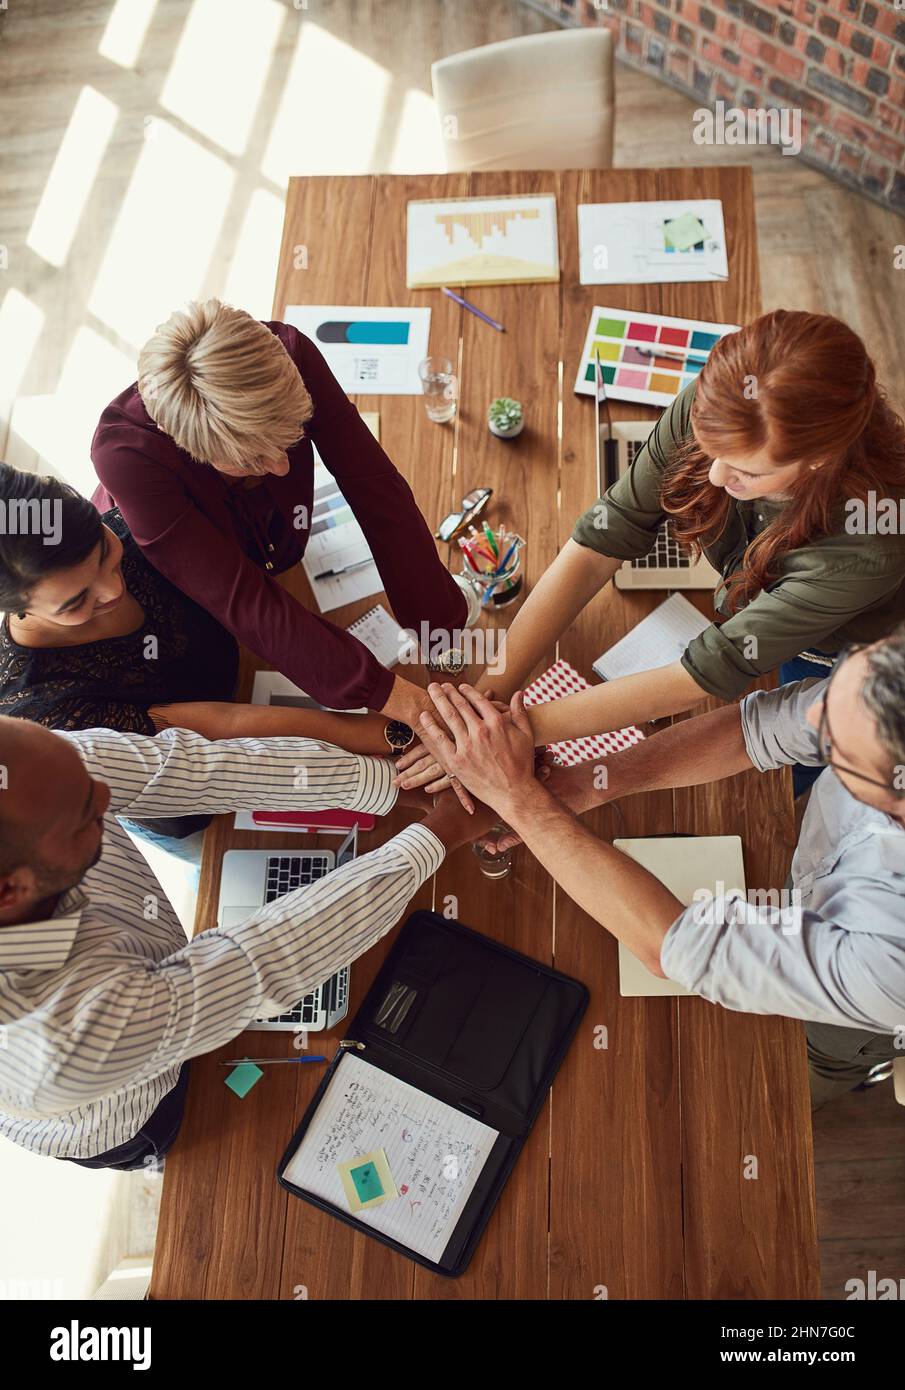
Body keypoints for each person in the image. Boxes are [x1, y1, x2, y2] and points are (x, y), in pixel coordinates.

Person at [394, 310, 905, 795]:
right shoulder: (730, 406)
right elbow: (606, 535)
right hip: (759, 602)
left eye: (748, 472)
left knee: (802, 770)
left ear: (818, 460)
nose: (717, 478)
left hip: (839, 653)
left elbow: (701, 674)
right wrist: (492, 692)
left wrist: (495, 732)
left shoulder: (867, 544)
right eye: (710, 448)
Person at [413, 625, 905, 1109]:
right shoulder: (871, 701)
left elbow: (672, 944)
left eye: (836, 747)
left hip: (852, 1018)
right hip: (813, 888)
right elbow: (750, 731)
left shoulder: (891, 955)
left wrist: (517, 797)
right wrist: (591, 783)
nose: (816, 716)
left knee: (781, 1078)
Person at [0, 715, 489, 1168]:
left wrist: (396, 786)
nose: (108, 801)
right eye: (84, 813)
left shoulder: (31, 774)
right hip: (122, 1113)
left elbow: (194, 770)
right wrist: (444, 830)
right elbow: (264, 960)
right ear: (11, 892)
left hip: (143, 991)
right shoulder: (54, 1042)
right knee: (212, 1143)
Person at [0, 463, 429, 849]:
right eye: (76, 602)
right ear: (17, 608)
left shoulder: (142, 523)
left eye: (104, 553)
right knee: (233, 857)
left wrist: (407, 724)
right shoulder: (47, 711)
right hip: (195, 796)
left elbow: (247, 601)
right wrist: (409, 733)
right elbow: (224, 728)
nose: (112, 590)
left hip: (248, 686)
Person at [90, 299, 469, 733]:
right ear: (191, 447)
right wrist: (400, 699)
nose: (284, 468)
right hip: (187, 592)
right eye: (251, 459)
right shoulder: (127, 458)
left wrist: (441, 637)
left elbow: (377, 490)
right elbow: (244, 599)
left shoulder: (286, 353)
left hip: (277, 550)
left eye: (290, 440)